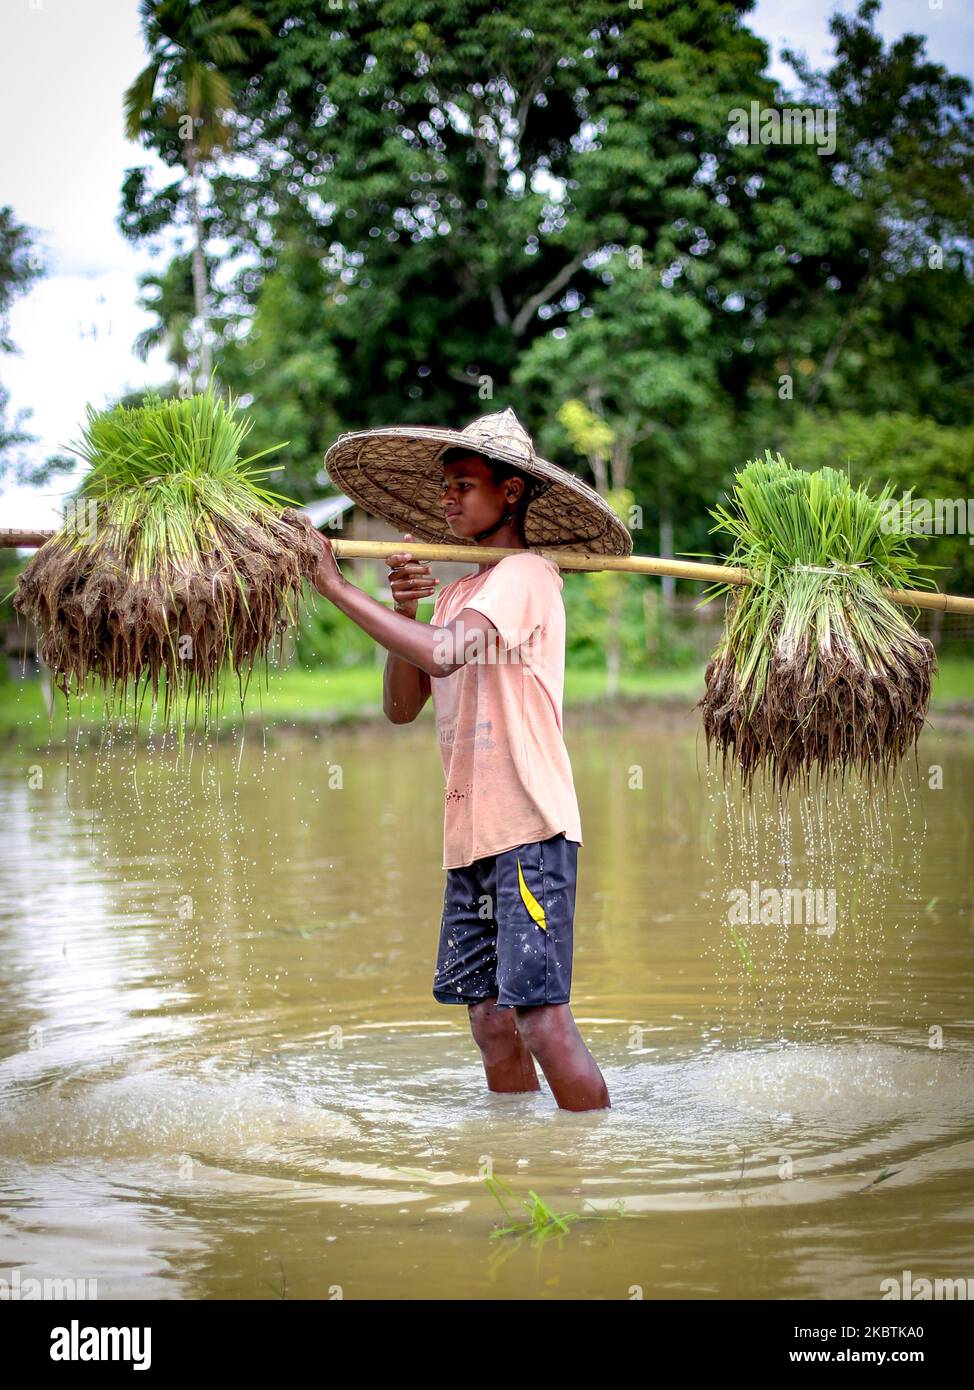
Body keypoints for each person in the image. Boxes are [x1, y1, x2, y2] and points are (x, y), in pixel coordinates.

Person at [311, 408, 631, 1111]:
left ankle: (594, 1162)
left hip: (529, 831)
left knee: (540, 1020)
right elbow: (404, 704)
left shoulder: (525, 574)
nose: (447, 499)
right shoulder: (458, 595)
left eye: (464, 485)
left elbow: (445, 651)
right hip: (470, 838)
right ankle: (517, 1159)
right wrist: (403, 615)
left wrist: (338, 589)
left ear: (511, 492)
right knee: (489, 1021)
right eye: (445, 488)